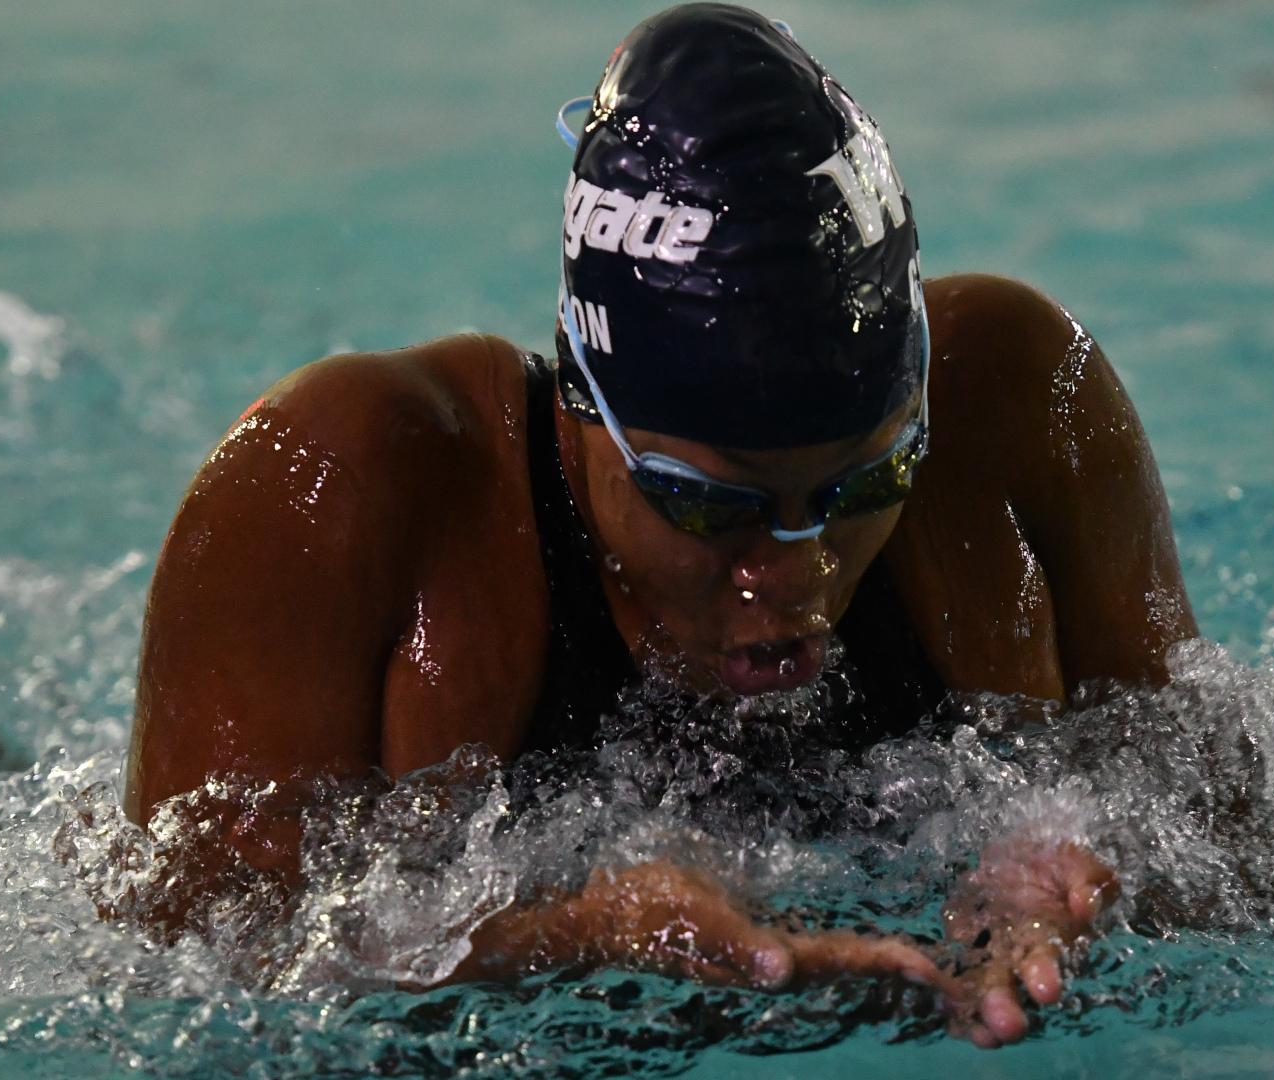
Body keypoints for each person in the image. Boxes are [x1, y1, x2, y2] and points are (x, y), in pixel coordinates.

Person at [123, 3, 1196, 1048]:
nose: (799, 578)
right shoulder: (341, 486)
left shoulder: (1021, 407)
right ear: (582, 402)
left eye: (865, 487)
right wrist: (571, 943)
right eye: (711, 505)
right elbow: (168, 977)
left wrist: (1112, 865)